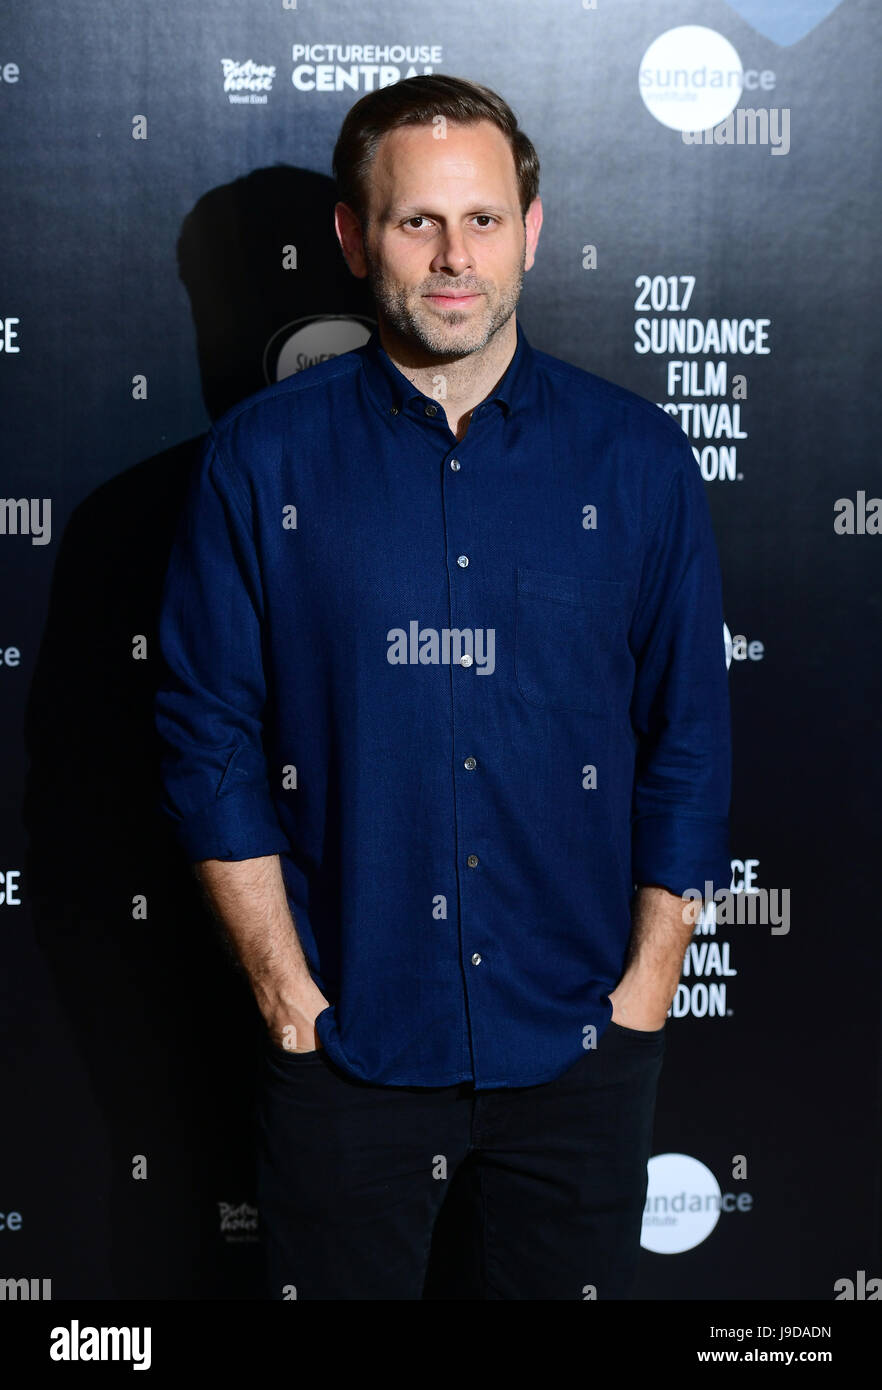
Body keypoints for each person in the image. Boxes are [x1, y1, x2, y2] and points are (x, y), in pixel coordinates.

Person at [154, 74, 731, 1301]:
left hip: (580, 1046)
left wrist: (646, 985)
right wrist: (286, 997)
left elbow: (687, 732)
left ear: (531, 227)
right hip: (345, 1052)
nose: (453, 255)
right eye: (418, 222)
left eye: (481, 219)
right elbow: (208, 736)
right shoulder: (261, 462)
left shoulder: (634, 460)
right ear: (356, 239)